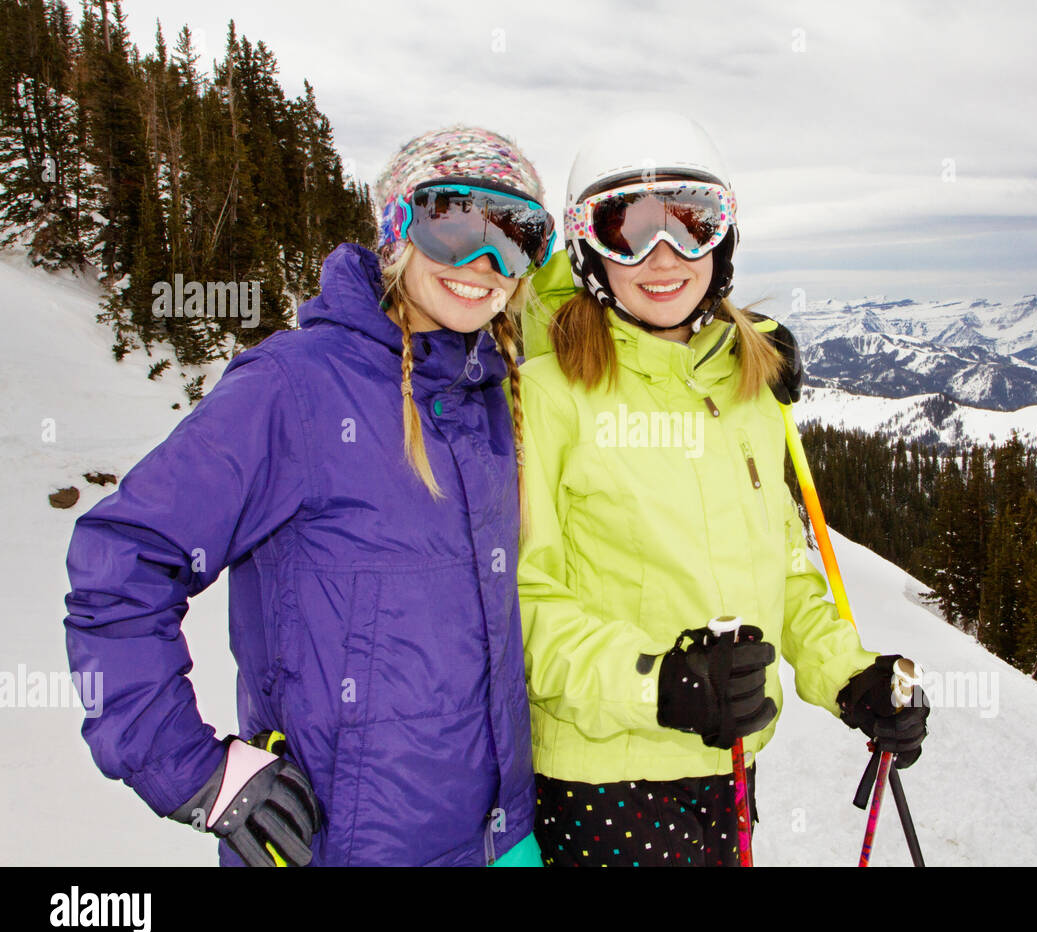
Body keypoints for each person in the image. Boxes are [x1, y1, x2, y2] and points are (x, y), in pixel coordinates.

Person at [62, 126, 554, 867]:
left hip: (504, 839)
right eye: (454, 225)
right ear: (397, 230)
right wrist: (194, 771)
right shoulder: (295, 388)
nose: (483, 264)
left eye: (514, 237)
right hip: (344, 850)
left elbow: (614, 301)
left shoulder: (493, 387)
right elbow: (121, 563)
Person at [517, 110, 929, 866]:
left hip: (729, 771)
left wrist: (851, 677)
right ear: (587, 250)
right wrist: (660, 685)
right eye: (626, 228)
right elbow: (523, 609)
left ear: (724, 239)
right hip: (608, 783)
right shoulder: (545, 397)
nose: (661, 254)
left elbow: (784, 570)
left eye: (690, 222)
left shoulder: (745, 391)